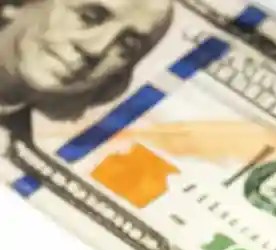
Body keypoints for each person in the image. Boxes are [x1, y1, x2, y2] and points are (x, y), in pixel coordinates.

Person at [0, 0, 172, 152]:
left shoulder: (17, 154)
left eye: (126, 46)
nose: (96, 49)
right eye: (89, 17)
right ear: (19, 4)